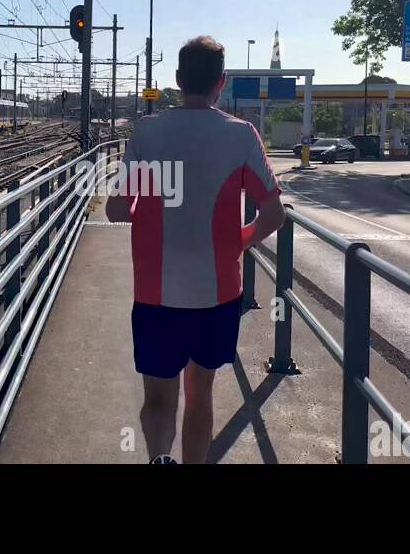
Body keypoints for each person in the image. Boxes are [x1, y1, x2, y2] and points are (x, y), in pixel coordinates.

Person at [105, 36, 286, 464]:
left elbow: (116, 209)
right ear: (220, 83)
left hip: (155, 294)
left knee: (158, 396)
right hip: (217, 294)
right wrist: (238, 241)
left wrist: (154, 215)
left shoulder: (148, 132)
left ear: (178, 80)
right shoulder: (242, 136)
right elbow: (274, 215)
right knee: (200, 393)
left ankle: (157, 460)